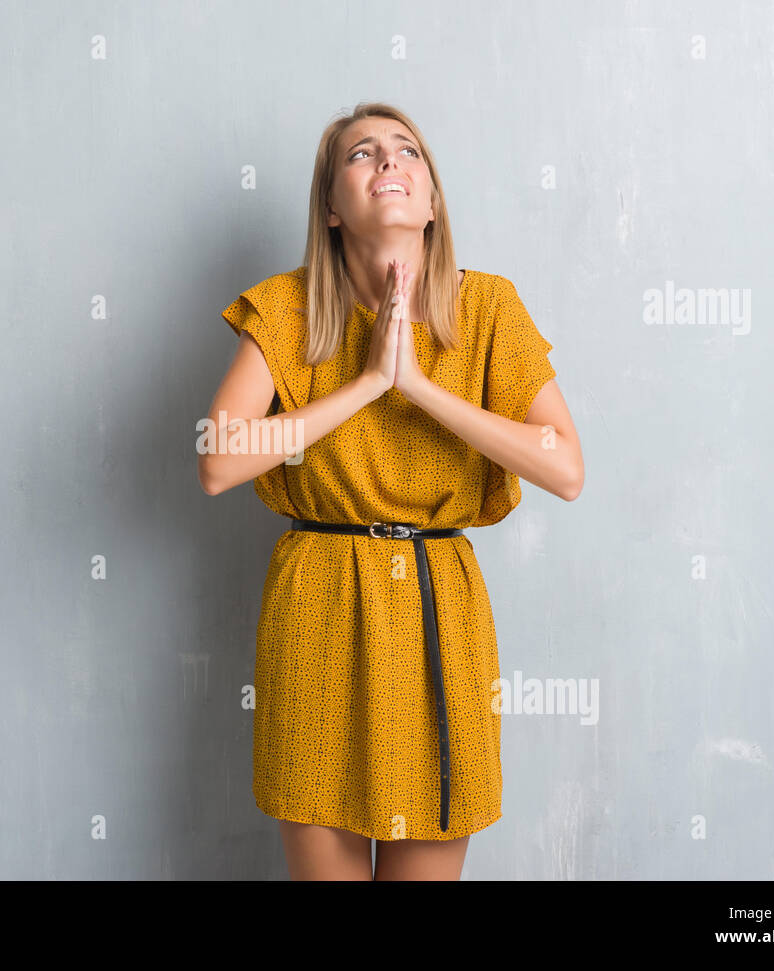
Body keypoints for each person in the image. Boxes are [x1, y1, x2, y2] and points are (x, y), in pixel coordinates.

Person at [199, 102, 584, 880]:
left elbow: (565, 467)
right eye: (362, 154)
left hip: (439, 612)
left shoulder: (488, 309)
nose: (389, 163)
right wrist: (372, 381)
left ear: (432, 200)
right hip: (320, 608)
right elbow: (218, 457)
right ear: (332, 209)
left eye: (408, 151)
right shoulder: (285, 307)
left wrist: (419, 386)